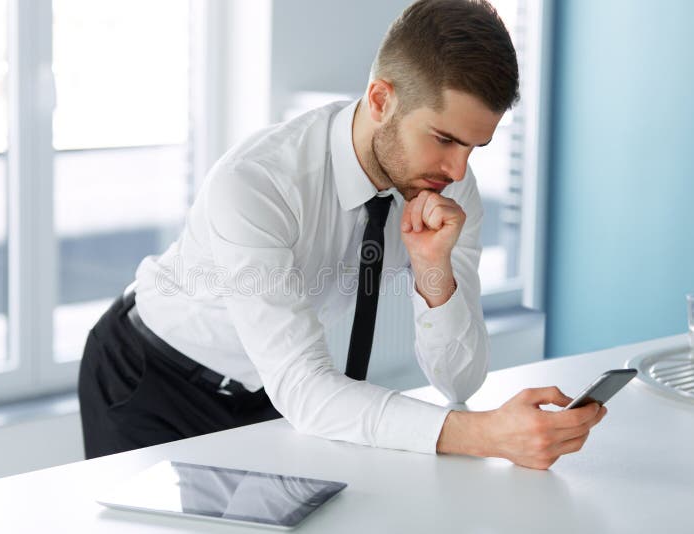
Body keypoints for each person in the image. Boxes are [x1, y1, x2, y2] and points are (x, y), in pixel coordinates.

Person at [78, 0, 606, 470]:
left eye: (474, 147)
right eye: (444, 138)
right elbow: (307, 389)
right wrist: (487, 434)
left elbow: (459, 381)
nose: (459, 170)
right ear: (380, 99)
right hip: (148, 376)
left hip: (268, 387)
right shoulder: (258, 184)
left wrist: (433, 273)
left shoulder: (446, 188)